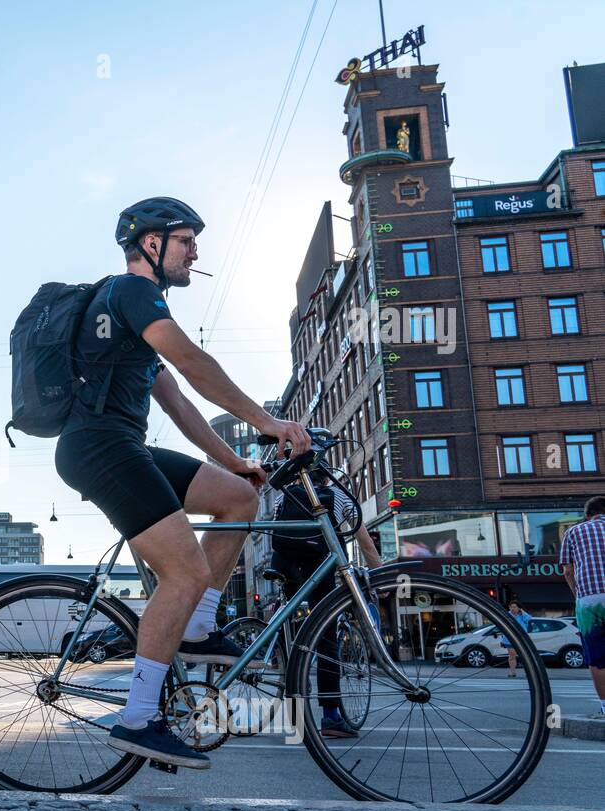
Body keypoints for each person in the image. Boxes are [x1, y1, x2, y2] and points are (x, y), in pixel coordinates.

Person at [54, 196, 311, 770]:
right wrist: (266, 423)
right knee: (185, 570)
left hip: (123, 445)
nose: (196, 251)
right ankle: (139, 720)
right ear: (151, 243)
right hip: (98, 448)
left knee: (239, 498)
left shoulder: (136, 321)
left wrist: (234, 463)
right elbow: (196, 364)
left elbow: (179, 404)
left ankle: (197, 625)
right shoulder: (132, 293)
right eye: (186, 239)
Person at [269, 468, 382, 737]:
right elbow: (364, 540)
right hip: (319, 564)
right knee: (325, 635)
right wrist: (379, 575)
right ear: (327, 477)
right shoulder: (339, 497)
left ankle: (289, 699)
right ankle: (330, 716)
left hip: (284, 563)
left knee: (288, 624)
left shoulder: (283, 496)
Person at [560, 496, 605, 716]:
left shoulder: (573, 532)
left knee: (597, 656)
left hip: (590, 599)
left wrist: (578, 594)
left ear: (588, 514)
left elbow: (567, 571)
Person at [497, 600, 531, 678]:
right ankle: (513, 672)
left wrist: (522, 612)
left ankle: (529, 672)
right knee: (512, 655)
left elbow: (528, 619)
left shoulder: (523, 615)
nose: (512, 608)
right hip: (509, 638)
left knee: (524, 656)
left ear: (519, 608)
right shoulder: (507, 615)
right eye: (511, 607)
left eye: (514, 607)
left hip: (521, 638)